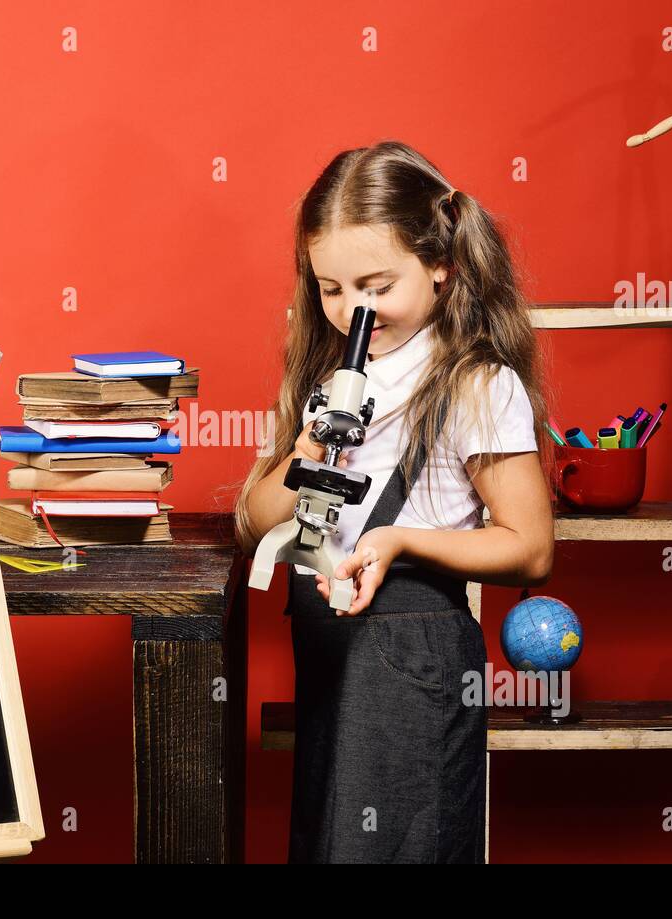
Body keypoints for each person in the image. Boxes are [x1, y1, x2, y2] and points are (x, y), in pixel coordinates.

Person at [235, 140, 555, 863]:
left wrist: (403, 540)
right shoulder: (333, 382)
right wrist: (305, 455)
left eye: (375, 285)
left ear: (439, 265)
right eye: (331, 288)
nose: (352, 310)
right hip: (330, 652)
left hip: (411, 657)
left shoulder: (474, 383)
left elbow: (530, 545)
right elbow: (256, 520)